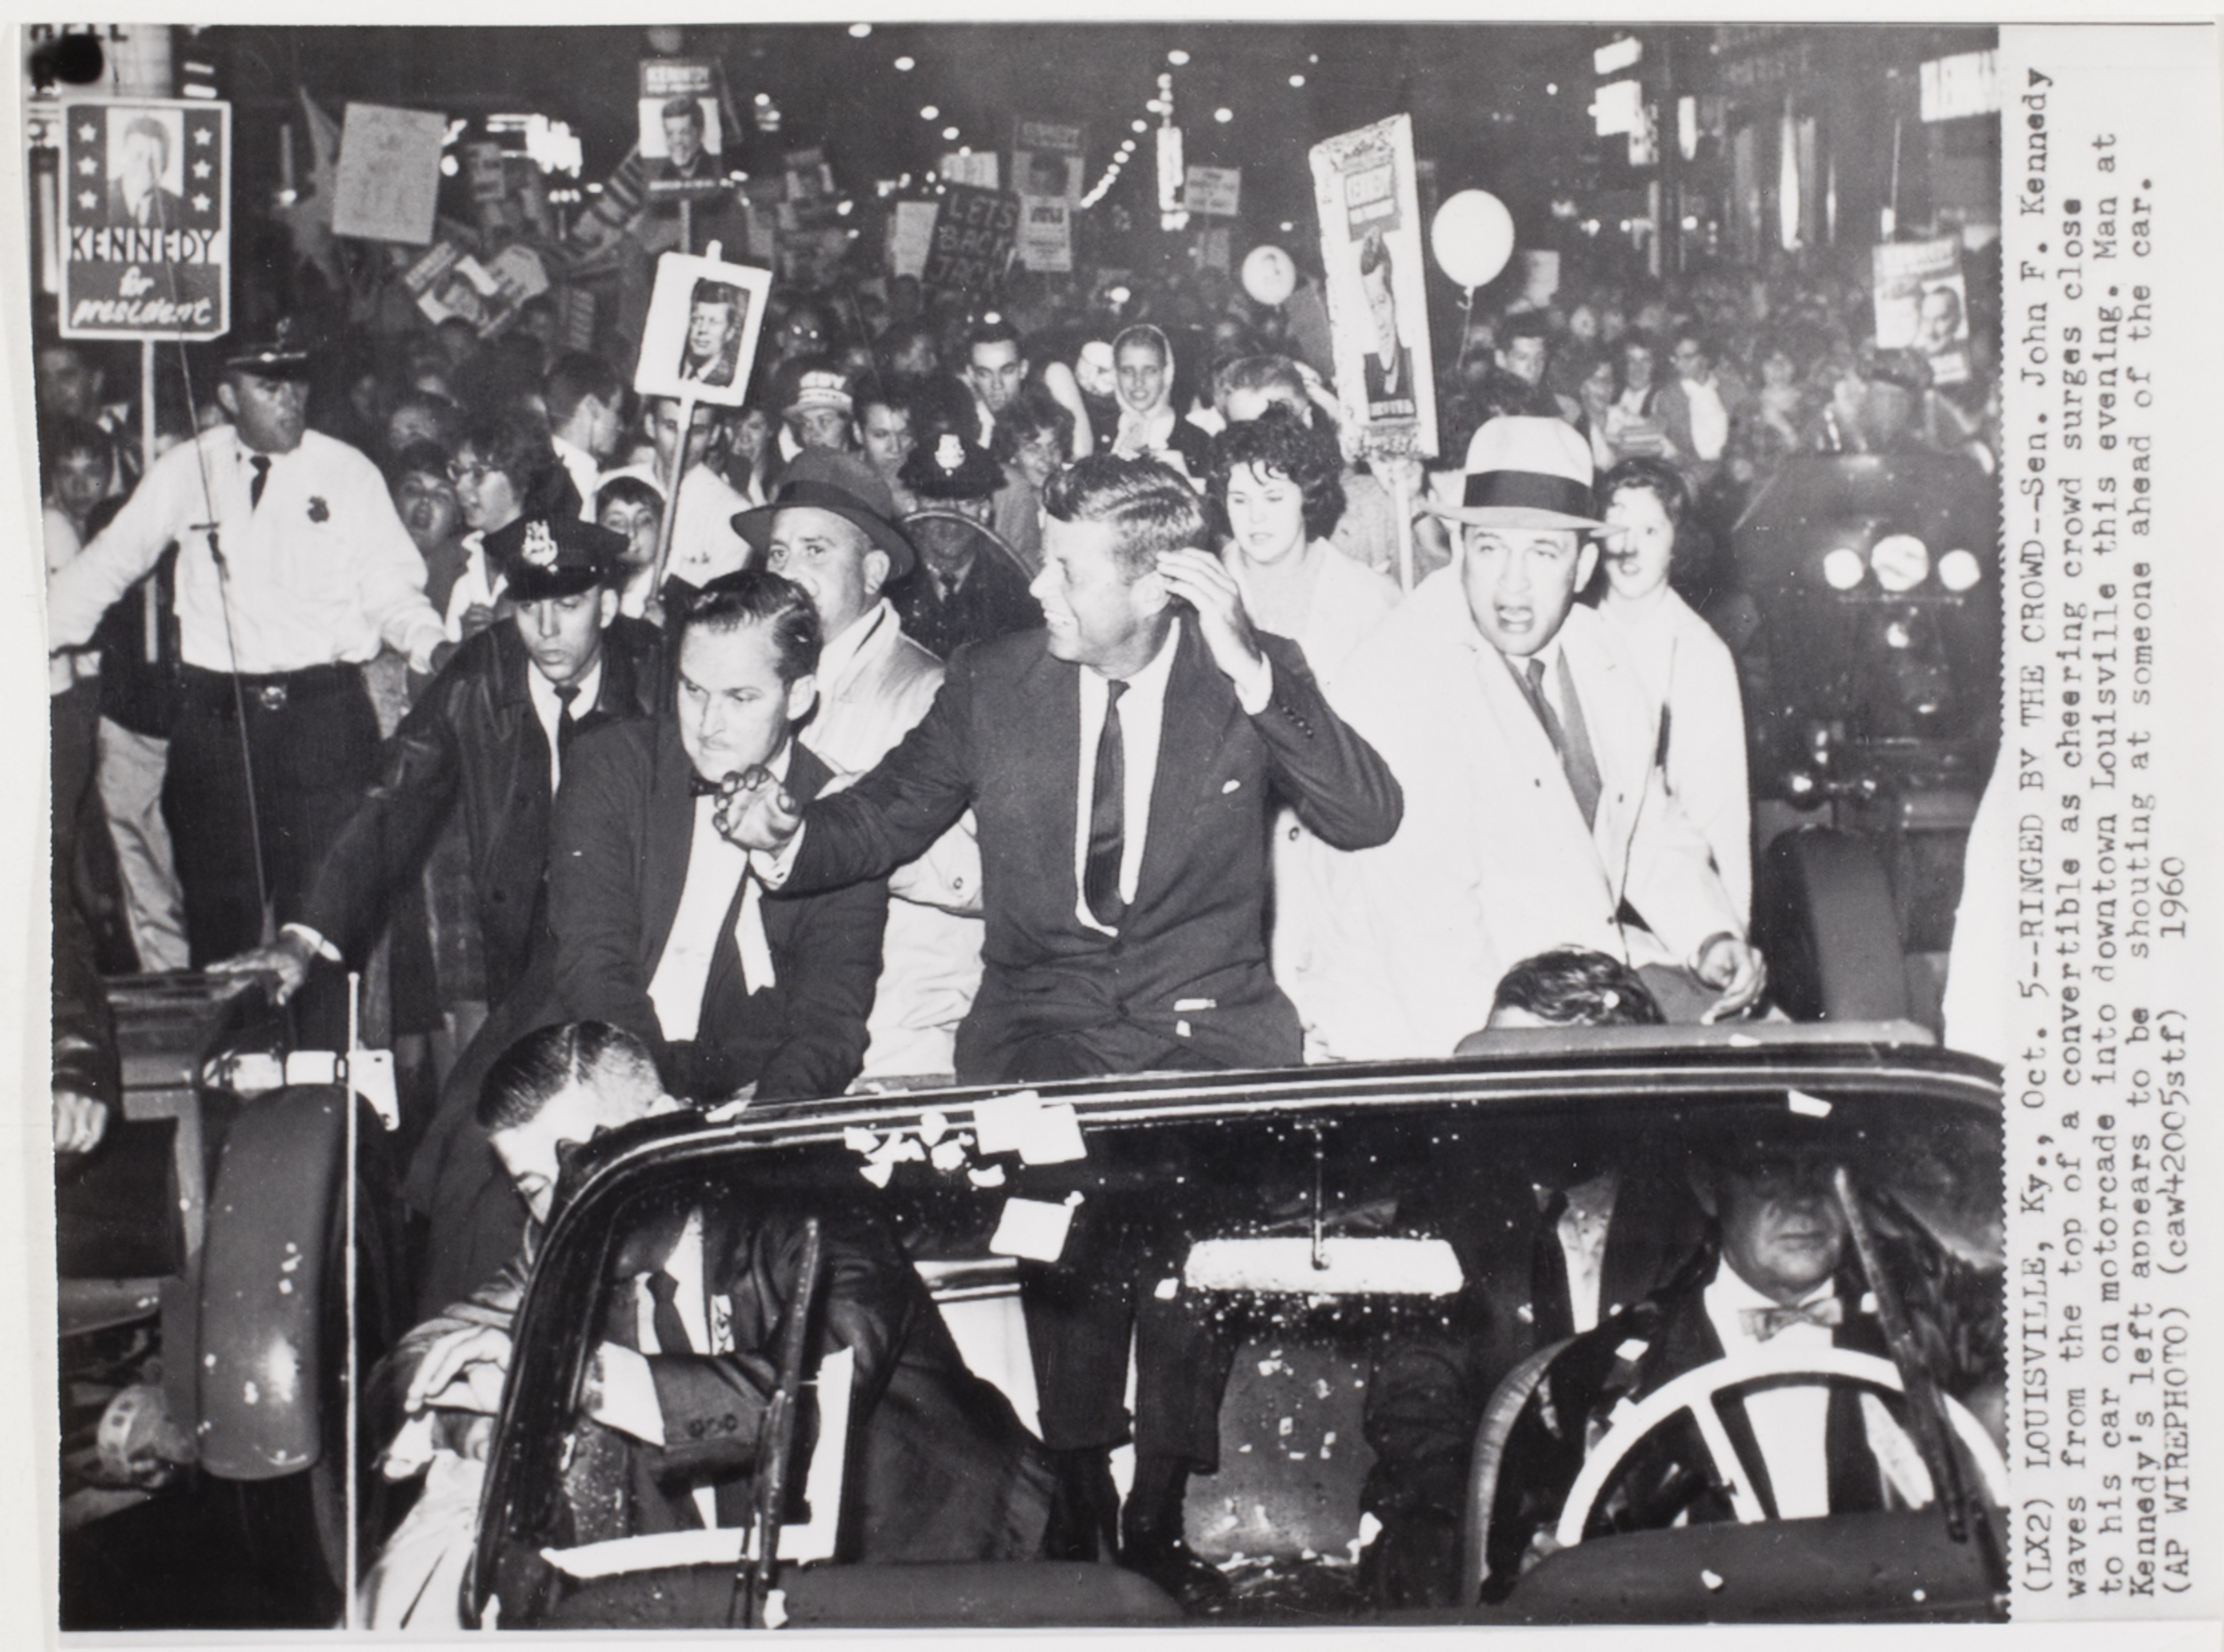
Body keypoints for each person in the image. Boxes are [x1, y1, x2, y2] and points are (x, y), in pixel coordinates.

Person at [720, 453, 1403, 1601]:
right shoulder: (1000, 678)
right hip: (1045, 1020)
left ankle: (1162, 1484)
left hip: (1205, 1029)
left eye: (1069, 570)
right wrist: (787, 836)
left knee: (1186, 1195)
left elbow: (1364, 812)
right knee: (1061, 1185)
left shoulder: (1241, 678)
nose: (1038, 588)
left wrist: (1250, 669)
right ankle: (1080, 1460)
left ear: (1154, 589)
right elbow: (887, 810)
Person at [364, 1020, 1054, 1629]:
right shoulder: (559, 1250)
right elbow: (418, 1356)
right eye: (536, 1187)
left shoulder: (814, 1205)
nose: (568, 1203)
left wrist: (570, 1372)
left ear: (664, 1121)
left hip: (966, 1567)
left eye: (585, 1159)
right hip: (745, 1595)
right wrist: (477, 1418)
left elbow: (800, 1394)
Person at [409, 569, 890, 1313]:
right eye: (693, 690)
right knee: (488, 1225)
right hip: (574, 1050)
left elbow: (830, 1022)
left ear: (799, 698)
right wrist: (646, 1112)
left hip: (737, 1098)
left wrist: (752, 1137)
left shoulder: (839, 820)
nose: (707, 724)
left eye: (741, 697)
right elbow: (593, 965)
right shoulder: (612, 764)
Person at [1302, 416, 1763, 1060]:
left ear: (1584, 567)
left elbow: (1644, 822)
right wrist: (1513, 1082)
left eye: (1543, 552)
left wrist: (1709, 933)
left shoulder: (1597, 648)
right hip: (1427, 1035)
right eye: (1491, 548)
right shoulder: (1400, 677)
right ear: (1461, 548)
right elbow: (1428, 935)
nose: (1512, 585)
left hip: (1569, 989)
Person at [44, 326, 452, 1003]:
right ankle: (231, 1093)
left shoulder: (347, 471)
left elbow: (391, 588)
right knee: (219, 931)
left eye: (297, 383)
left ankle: (317, 1092)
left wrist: (429, 643)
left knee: (321, 929)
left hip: (323, 720)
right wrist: (34, 635)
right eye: (269, 386)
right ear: (229, 394)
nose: (291, 399)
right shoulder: (186, 470)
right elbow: (108, 565)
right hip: (215, 726)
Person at [1475, 1106, 2003, 1598]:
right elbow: (1513, 1591)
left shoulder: (1938, 1335)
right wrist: (1542, 1574)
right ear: (1708, 1188)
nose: (1803, 1200)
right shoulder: (1596, 1376)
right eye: (1768, 1170)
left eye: (1823, 1171)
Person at [214, 511, 665, 1028]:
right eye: (528, 607)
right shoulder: (481, 674)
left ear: (606, 607)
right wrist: (305, 934)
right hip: (520, 957)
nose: (546, 631)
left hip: (636, 942)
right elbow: (393, 793)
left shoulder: (659, 676)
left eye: (569, 605)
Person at [732, 480, 984, 1081]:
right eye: (778, 553)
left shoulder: (930, 693)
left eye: (815, 550)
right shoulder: (755, 686)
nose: (790, 572)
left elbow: (985, 877)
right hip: (781, 1044)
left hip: (891, 1052)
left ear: (873, 571)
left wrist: (838, 825)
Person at [1203, 409, 1399, 1058]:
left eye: (1273, 496)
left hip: (1341, 859)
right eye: (1238, 498)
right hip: (1232, 860)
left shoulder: (1371, 602)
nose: (1254, 517)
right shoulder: (1200, 595)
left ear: (1308, 497)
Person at [1592, 458, 1752, 920]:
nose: (1628, 548)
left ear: (1677, 544)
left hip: (1666, 906)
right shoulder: (1575, 630)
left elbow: (1719, 817)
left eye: (1650, 531)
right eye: (1615, 527)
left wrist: (1728, 933)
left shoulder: (1700, 656)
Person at [889, 430, 1042, 659]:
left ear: (985, 511)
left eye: (966, 502)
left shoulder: (1013, 594)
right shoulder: (889, 585)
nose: (951, 516)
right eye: (937, 500)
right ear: (914, 506)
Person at [444, 409, 576, 642]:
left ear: (521, 480)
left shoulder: (558, 561)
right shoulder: (450, 558)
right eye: (457, 471)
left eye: (477, 474)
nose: (460, 488)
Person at [600, 397, 753, 599]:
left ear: (714, 435)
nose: (683, 441)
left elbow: (719, 603)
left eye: (697, 431)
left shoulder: (733, 512)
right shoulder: (609, 485)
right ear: (650, 425)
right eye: (671, 426)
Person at [1107, 325, 1211, 479]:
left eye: (1150, 370)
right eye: (1127, 371)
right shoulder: (1097, 432)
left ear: (1166, 373)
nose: (1138, 382)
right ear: (1115, 374)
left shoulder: (1196, 441)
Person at [544, 351, 626, 520]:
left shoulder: (531, 465)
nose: (620, 426)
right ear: (593, 407)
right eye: (616, 412)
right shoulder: (582, 483)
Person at [1356, 229, 1416, 418]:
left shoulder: (1415, 364)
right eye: (1371, 306)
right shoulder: (1366, 371)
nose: (1379, 321)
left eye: (1382, 302)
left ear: (1395, 299)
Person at [594, 473, 665, 618]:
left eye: (644, 520)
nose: (631, 532)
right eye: (617, 522)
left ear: (662, 527)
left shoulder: (680, 595)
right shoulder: (593, 592)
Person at [106, 114, 187, 228]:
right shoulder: (101, 198)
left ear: (165, 164)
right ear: (123, 157)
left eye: (155, 160)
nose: (145, 167)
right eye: (138, 156)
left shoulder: (179, 208)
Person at [961, 318, 1030, 447]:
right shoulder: (964, 433)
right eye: (985, 374)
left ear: (1023, 369)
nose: (997, 385)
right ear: (971, 374)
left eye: (1007, 371)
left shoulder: (1045, 424)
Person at [855, 386, 918, 513]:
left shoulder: (932, 482)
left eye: (905, 434)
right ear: (857, 433)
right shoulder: (839, 484)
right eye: (881, 435)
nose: (895, 448)